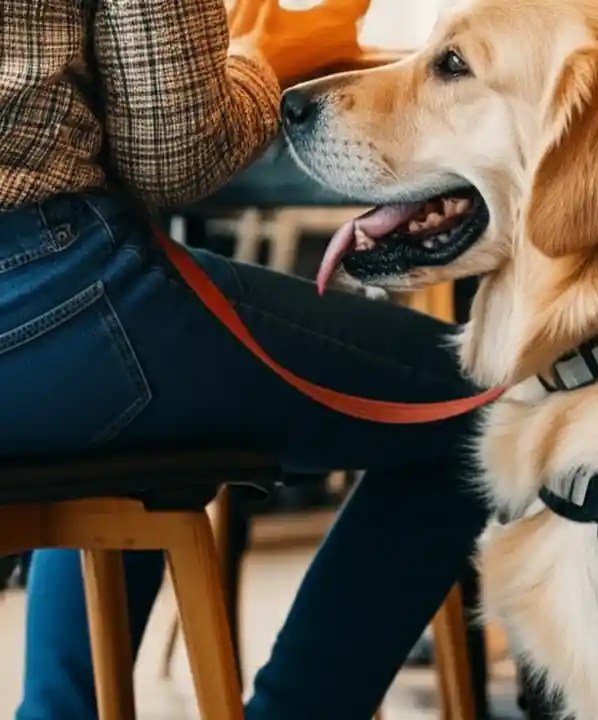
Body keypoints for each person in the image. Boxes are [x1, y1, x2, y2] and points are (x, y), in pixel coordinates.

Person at [0, 1, 490, 718]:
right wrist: (272, 57)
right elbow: (175, 153)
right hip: (48, 298)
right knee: (482, 411)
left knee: (141, 403)